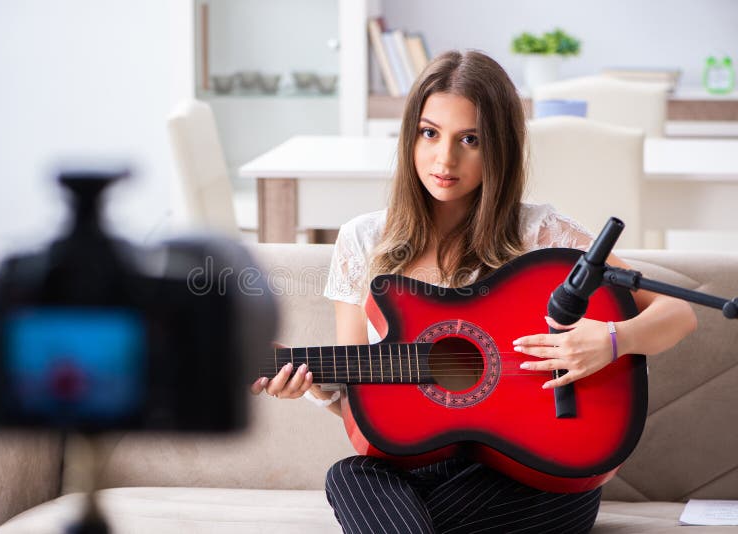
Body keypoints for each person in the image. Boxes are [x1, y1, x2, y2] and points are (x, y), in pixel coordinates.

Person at [251, 50, 697, 533]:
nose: (445, 158)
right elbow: (366, 410)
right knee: (351, 475)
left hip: (538, 468)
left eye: (470, 140)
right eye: (429, 133)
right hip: (418, 469)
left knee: (555, 497)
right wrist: (314, 384)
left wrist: (611, 340)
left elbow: (679, 312)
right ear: (409, 138)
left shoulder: (541, 233)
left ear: (500, 147)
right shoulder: (363, 242)